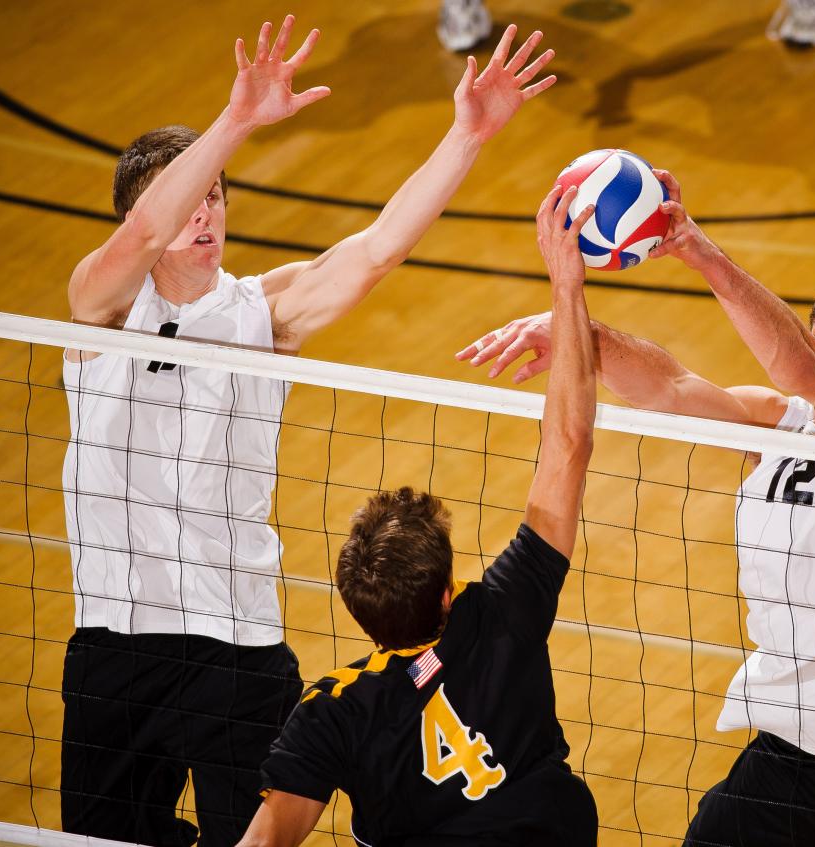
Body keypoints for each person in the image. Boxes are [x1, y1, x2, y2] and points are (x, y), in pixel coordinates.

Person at [60, 16, 555, 847]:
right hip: (116, 642)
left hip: (237, 647)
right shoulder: (99, 308)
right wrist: (236, 125)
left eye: (218, 194)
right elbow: (144, 233)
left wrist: (466, 135)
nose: (207, 212)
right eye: (193, 195)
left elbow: (378, 250)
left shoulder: (263, 310)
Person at [458, 170, 815, 845]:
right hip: (788, 764)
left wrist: (696, 249)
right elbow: (673, 388)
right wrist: (575, 328)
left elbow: (804, 369)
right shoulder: (779, 428)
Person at [238, 184, 600, 847]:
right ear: (444, 589)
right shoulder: (501, 612)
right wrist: (566, 286)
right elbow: (569, 446)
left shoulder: (333, 711)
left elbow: (264, 842)